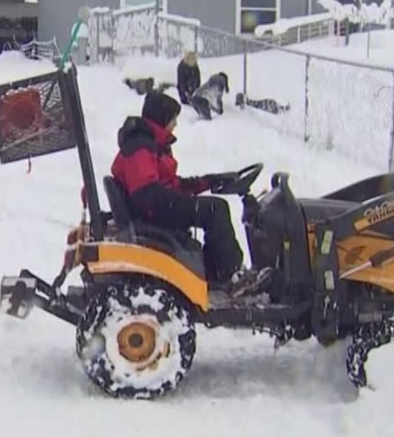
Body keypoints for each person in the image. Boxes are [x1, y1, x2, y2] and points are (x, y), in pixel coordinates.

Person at [110, 91, 273, 296]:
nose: (175, 124)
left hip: (153, 209)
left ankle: (215, 273)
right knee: (215, 209)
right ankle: (232, 274)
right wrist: (186, 203)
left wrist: (208, 181)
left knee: (211, 208)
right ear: (161, 119)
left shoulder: (149, 144)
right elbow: (147, 195)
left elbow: (170, 184)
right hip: (150, 213)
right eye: (173, 119)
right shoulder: (140, 148)